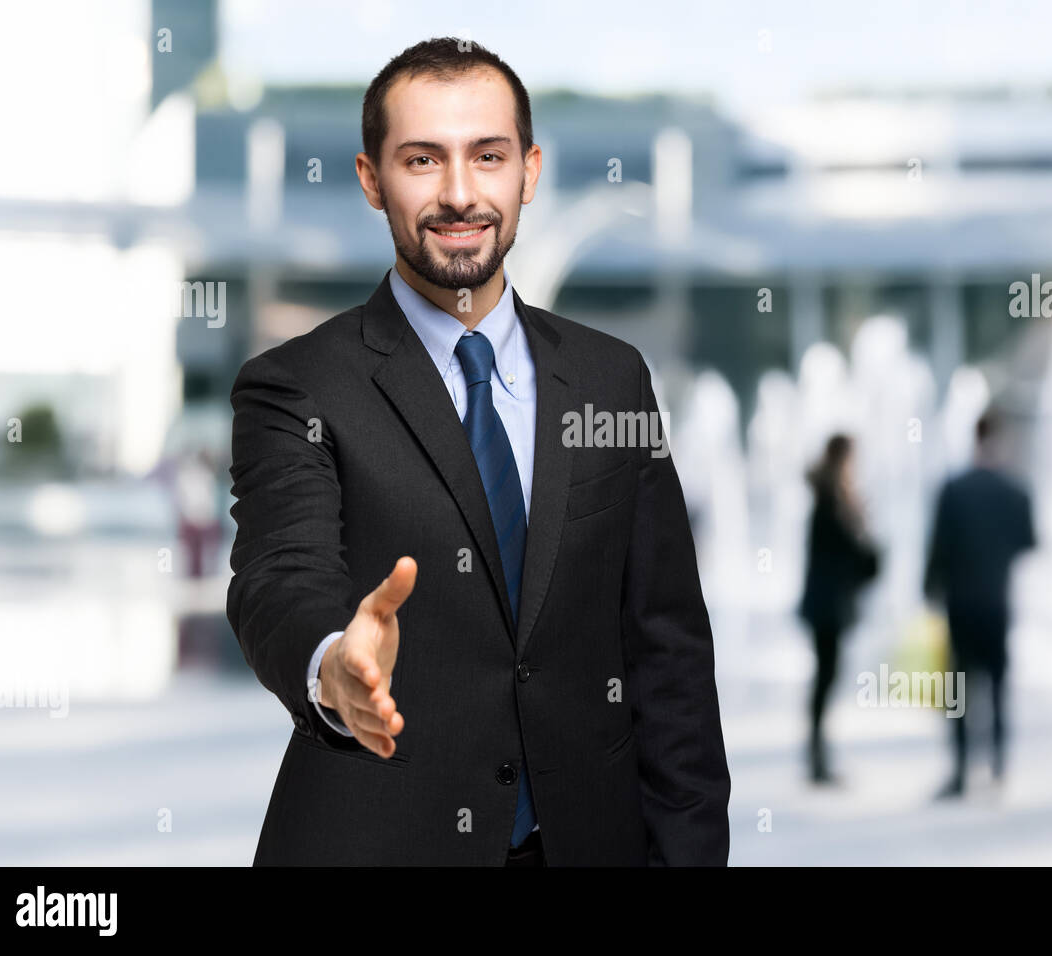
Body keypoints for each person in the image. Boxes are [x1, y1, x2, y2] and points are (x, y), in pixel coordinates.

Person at [226, 38, 730, 866]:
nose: (460, 194)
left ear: (528, 172)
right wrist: (333, 668)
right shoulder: (296, 385)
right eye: (422, 160)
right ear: (369, 179)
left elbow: (667, 647)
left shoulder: (612, 379)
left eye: (487, 157)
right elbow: (278, 575)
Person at [924, 408, 1036, 798]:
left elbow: (936, 549)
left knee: (958, 690)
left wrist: (930, 591)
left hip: (960, 603)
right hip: (996, 602)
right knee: (998, 685)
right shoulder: (1014, 489)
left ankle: (959, 771)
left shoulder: (953, 490)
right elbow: (1029, 541)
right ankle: (999, 766)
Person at [798, 434, 879, 783]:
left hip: (826, 605)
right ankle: (817, 760)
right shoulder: (833, 504)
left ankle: (818, 756)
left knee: (825, 678)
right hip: (828, 607)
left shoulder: (827, 499)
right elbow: (857, 558)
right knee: (825, 679)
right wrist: (863, 528)